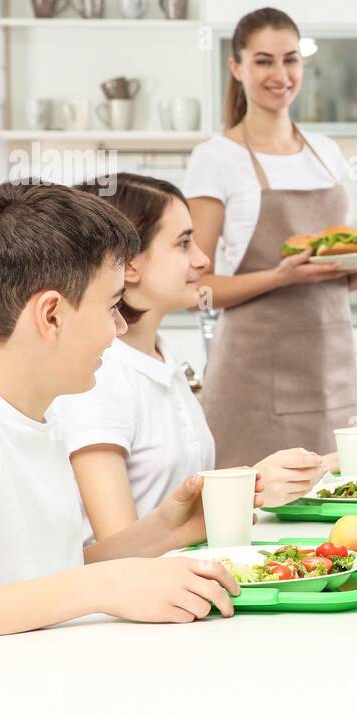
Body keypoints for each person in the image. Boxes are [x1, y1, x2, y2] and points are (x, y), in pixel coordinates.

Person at [0, 181, 249, 680]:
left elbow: (43, 576)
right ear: (51, 315)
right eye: (111, 305)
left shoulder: (43, 422)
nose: (121, 327)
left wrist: (165, 532)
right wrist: (96, 588)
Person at [51, 173, 329, 543]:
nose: (202, 260)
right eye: (183, 244)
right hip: (132, 596)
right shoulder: (97, 377)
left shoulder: (160, 358)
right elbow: (120, 550)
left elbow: (180, 501)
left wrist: (299, 475)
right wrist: (251, 489)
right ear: (127, 263)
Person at [184, 7, 357, 464]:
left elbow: (324, 274)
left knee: (343, 506)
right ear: (237, 67)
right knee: (256, 520)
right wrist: (282, 277)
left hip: (331, 370)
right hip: (251, 380)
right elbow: (195, 287)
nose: (279, 74)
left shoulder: (327, 152)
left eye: (291, 59)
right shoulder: (217, 158)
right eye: (263, 61)